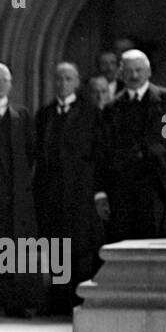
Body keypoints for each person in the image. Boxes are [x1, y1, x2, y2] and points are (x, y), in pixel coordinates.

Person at [94, 49, 166, 241]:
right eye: (129, 71)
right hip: (124, 191)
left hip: (159, 189)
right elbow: (103, 151)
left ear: (148, 72)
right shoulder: (111, 108)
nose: (134, 75)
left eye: (139, 70)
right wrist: (101, 192)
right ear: (121, 74)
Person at [33, 61, 102, 312]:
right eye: (59, 79)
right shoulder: (44, 114)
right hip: (51, 191)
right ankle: (58, 300)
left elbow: (97, 151)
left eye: (68, 79)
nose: (63, 84)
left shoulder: (91, 112)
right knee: (54, 245)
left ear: (77, 82)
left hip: (79, 189)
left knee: (80, 245)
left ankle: (79, 299)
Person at [0, 61, 43, 318]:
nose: (1, 84)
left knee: (17, 246)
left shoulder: (21, 116)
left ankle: (19, 300)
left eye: (5, 80)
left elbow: (31, 152)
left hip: (15, 194)